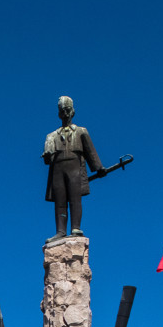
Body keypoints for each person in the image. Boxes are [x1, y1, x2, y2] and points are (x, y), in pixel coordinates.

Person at [42, 96, 104, 240]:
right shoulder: (51, 136)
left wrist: (98, 167)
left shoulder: (81, 131)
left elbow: (90, 151)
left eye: (67, 110)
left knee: (75, 198)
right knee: (60, 200)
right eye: (62, 110)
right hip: (58, 169)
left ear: (73, 111)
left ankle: (75, 227)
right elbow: (47, 159)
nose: (65, 113)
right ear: (59, 114)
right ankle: (61, 231)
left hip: (75, 168)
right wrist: (47, 156)